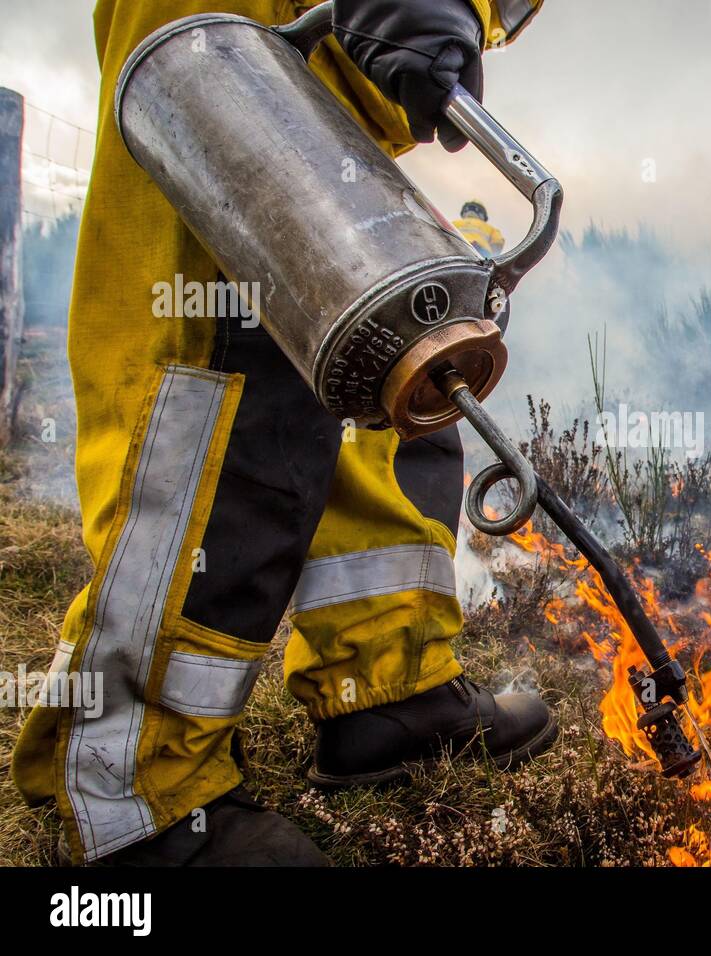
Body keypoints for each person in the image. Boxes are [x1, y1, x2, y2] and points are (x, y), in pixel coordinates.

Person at [13, 0, 553, 867]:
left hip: (345, 39)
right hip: (221, 33)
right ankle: (135, 779)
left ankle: (384, 684)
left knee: (370, 349)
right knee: (220, 368)